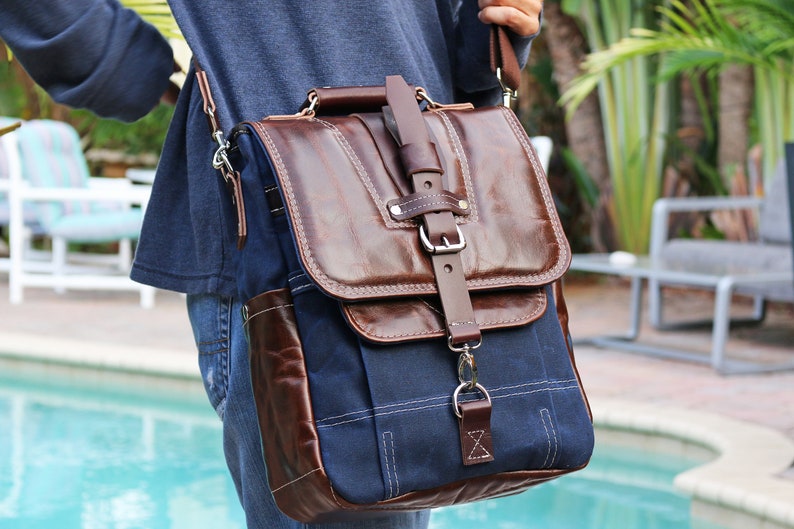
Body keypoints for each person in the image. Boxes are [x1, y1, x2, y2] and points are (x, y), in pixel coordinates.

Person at [0, 1, 543, 527]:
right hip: (283, 217)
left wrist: (499, 26)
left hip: (427, 201)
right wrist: (133, 66)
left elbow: (457, 43)